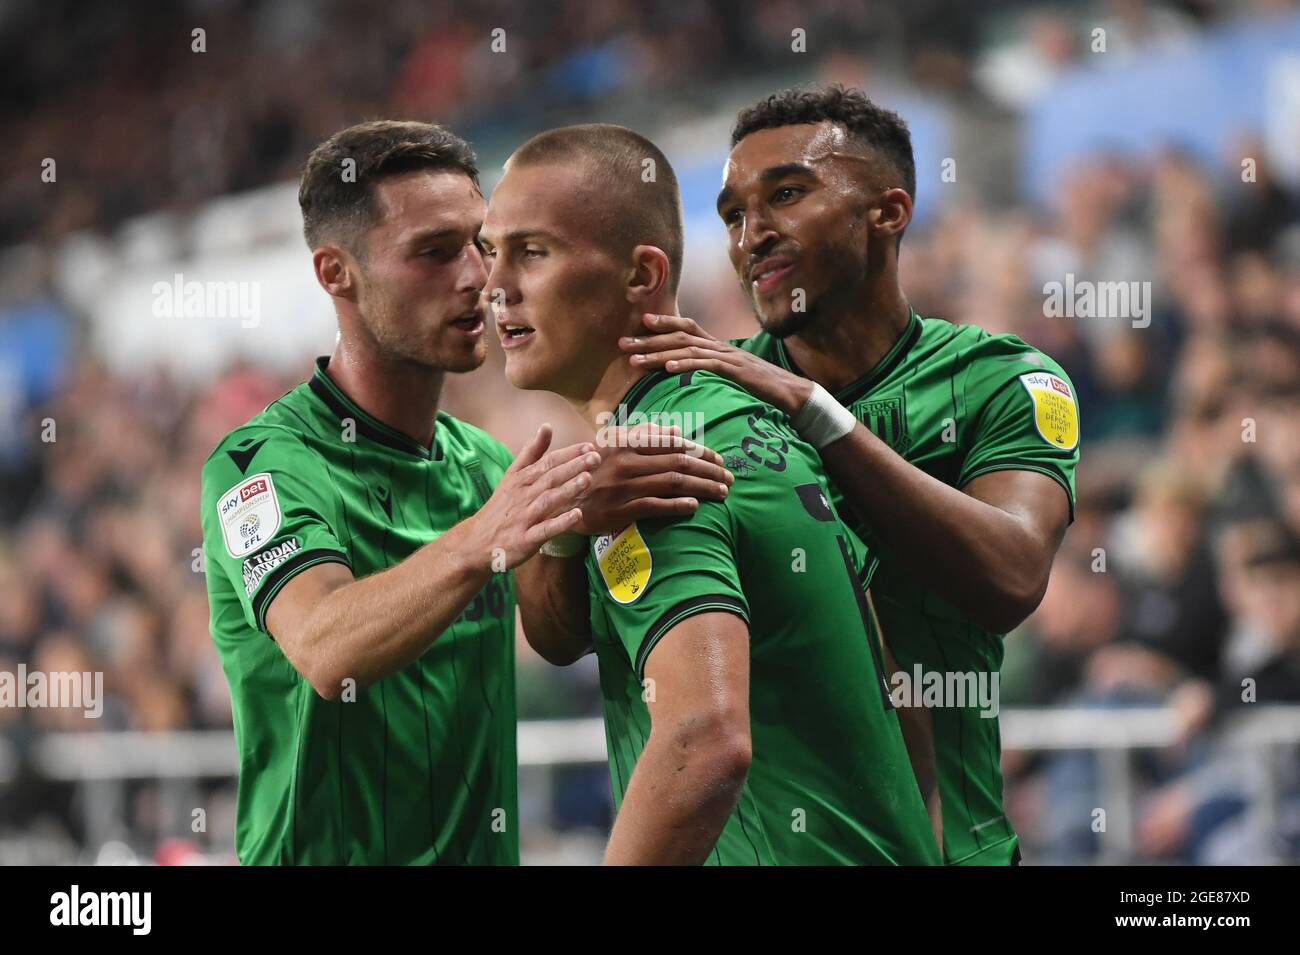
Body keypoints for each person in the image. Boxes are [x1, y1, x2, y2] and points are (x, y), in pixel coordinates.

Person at [200, 120, 732, 865]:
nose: (479, 278)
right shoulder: (262, 465)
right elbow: (325, 649)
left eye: (481, 245)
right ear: (335, 273)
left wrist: (569, 521)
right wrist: (489, 535)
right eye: (433, 252)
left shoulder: (485, 463)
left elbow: (555, 635)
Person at [621, 85, 1082, 865]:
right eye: (733, 214)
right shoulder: (709, 400)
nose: (751, 235)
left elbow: (1010, 577)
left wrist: (817, 413)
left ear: (889, 212)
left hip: (955, 849)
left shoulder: (1006, 382)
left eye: (788, 195)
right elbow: (563, 636)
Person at [480, 122, 942, 865]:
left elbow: (706, 738)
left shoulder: (663, 463)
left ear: (641, 277)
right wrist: (567, 522)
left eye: (532, 252)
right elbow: (899, 696)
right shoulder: (739, 417)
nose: (494, 284)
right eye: (488, 250)